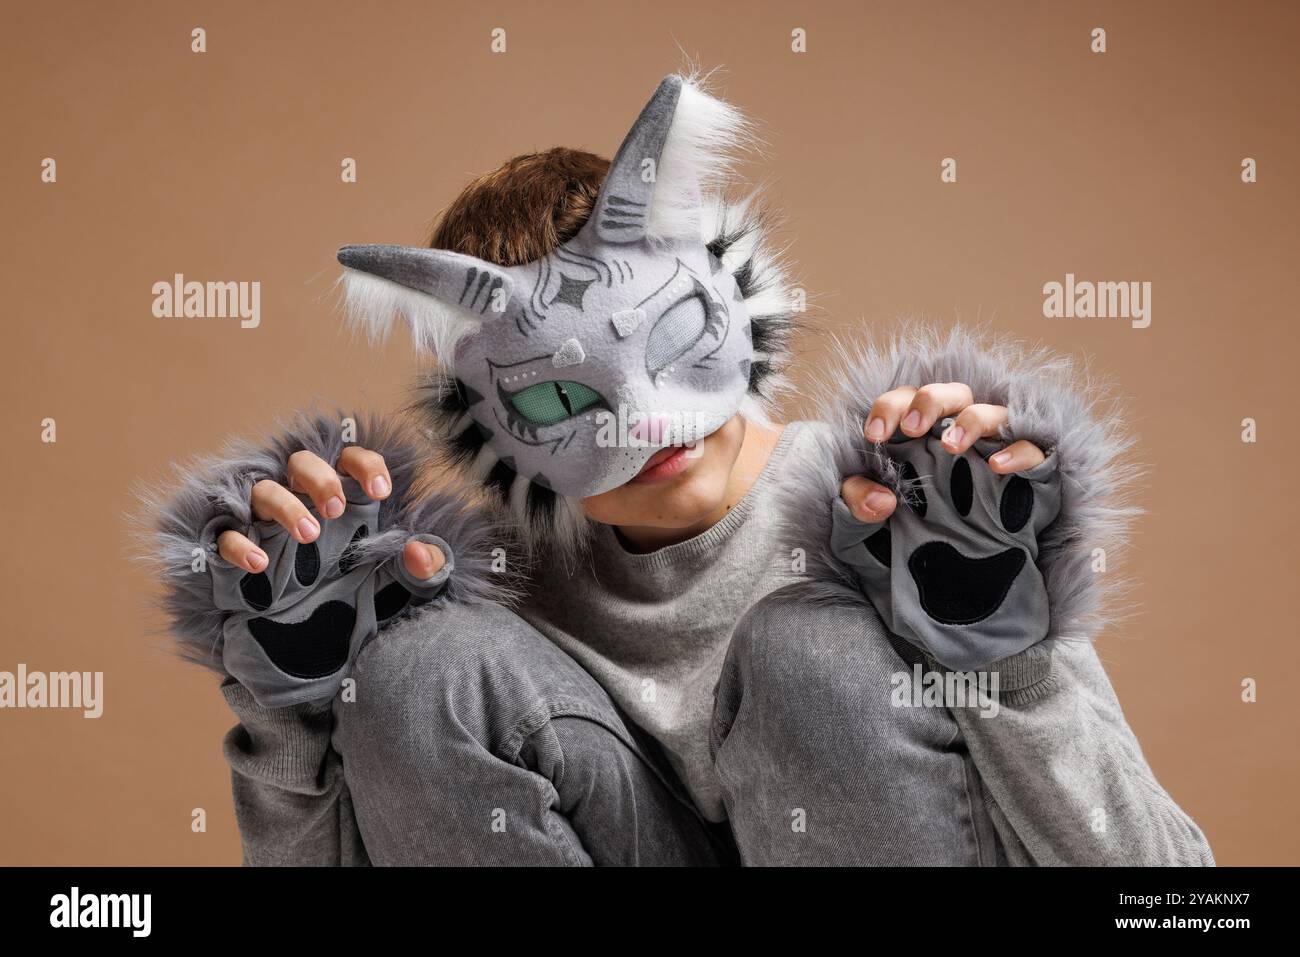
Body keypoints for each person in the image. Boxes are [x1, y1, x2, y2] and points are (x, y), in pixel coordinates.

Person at [143, 73, 1213, 866]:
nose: (644, 419)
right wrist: (301, 696)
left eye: (671, 339)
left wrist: (1000, 650)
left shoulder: (907, 518)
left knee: (816, 650)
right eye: (560, 397)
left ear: (740, 305)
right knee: (421, 667)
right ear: (481, 422)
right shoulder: (490, 600)